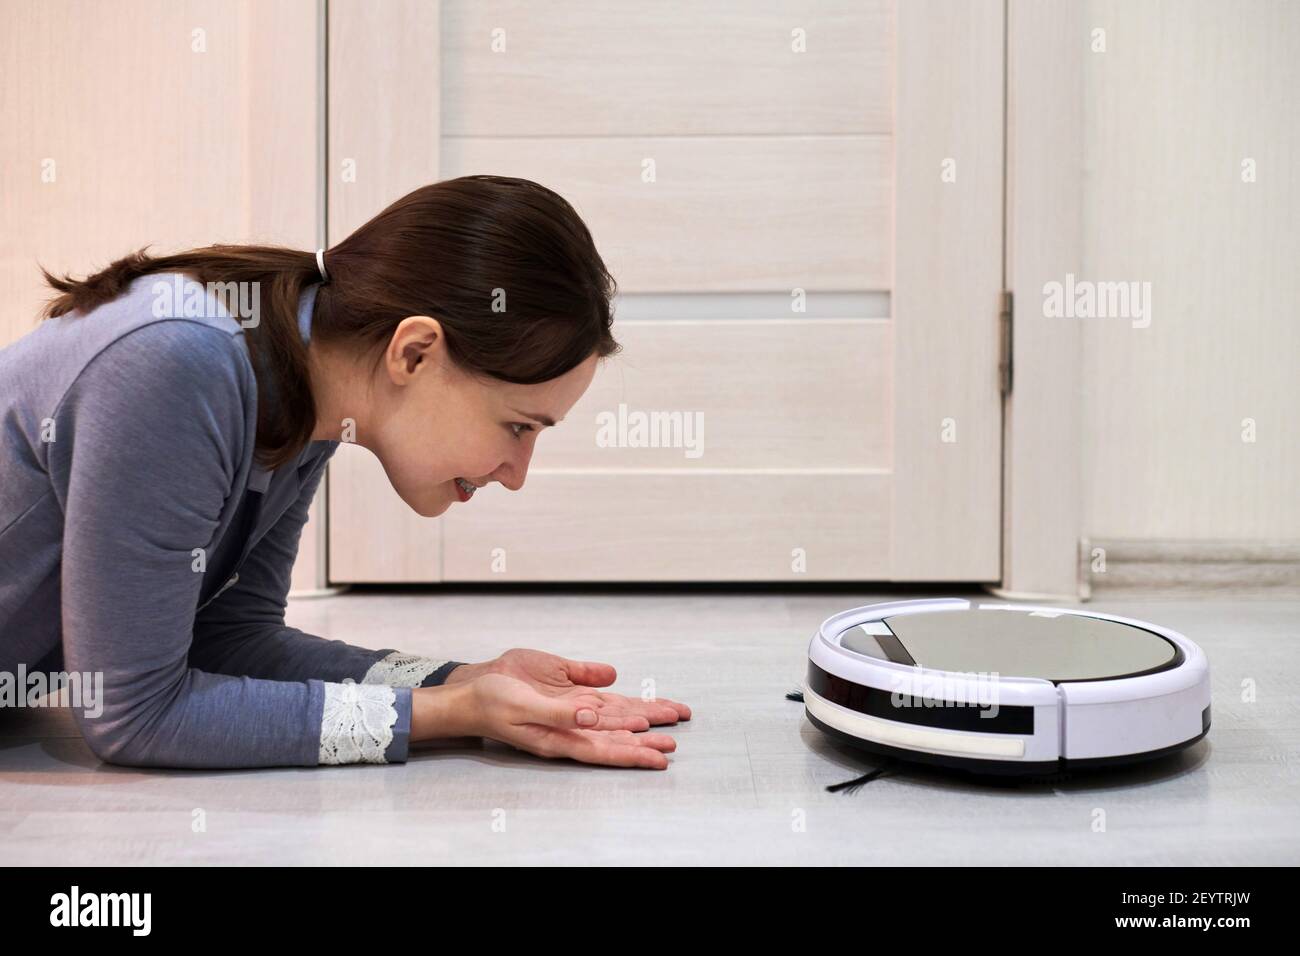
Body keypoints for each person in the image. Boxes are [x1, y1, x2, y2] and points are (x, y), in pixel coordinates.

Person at [0, 175, 690, 771]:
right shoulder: (176, 363)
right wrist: (451, 713)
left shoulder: (306, 387)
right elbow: (134, 716)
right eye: (518, 426)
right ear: (414, 353)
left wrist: (458, 681)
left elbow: (229, 638)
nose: (517, 475)